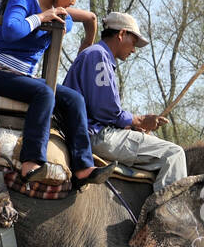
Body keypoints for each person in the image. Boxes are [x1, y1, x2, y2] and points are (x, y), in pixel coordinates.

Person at [0, 0, 101, 186]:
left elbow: (71, 22)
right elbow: (12, 29)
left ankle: (83, 166)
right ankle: (30, 161)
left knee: (74, 99)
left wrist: (67, 22)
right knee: (45, 93)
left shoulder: (59, 8)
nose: (73, 2)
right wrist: (40, 18)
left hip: (23, 76)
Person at [63, 11, 187, 192]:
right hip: (96, 135)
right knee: (174, 153)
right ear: (121, 34)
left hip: (92, 131)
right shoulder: (99, 56)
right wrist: (139, 120)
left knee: (153, 140)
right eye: (134, 42)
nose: (134, 50)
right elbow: (105, 111)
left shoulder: (96, 55)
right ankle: (166, 217)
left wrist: (131, 125)